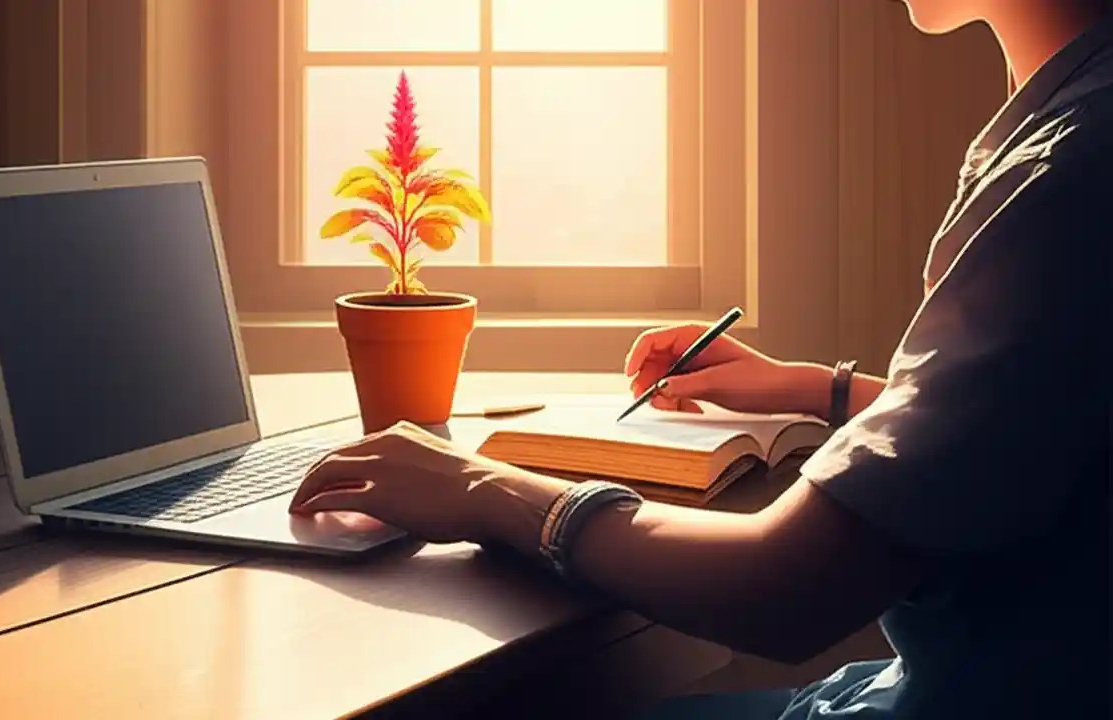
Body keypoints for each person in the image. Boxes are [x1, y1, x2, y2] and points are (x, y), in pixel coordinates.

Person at [290, 0, 1112, 717]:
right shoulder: (1072, 119)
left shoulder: (1070, 175)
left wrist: (480, 487)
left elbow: (788, 589)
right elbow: (1043, 429)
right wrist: (814, 389)